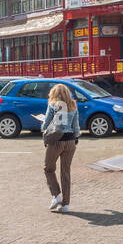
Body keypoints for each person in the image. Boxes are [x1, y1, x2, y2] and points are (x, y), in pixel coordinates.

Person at [41, 82, 80, 212]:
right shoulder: (73, 105)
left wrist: (42, 126)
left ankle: (56, 195)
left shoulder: (53, 105)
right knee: (65, 172)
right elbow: (76, 126)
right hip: (70, 142)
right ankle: (65, 205)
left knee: (48, 169)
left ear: (54, 93)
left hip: (56, 141)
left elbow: (46, 124)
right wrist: (76, 138)